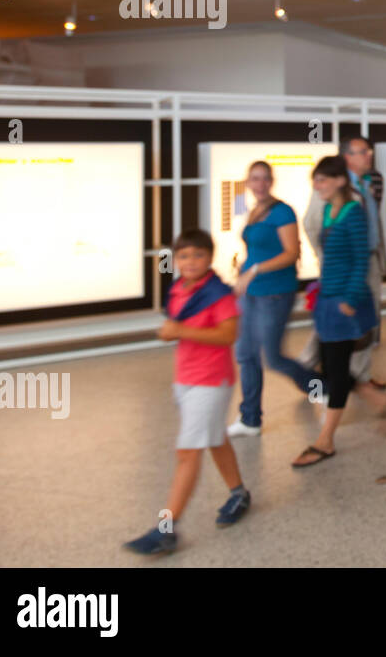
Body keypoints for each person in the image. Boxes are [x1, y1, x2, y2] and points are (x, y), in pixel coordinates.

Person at [124, 229, 251, 555]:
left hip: (211, 381)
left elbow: (227, 335)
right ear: (175, 260)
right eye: (183, 256)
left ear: (210, 258)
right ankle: (239, 493)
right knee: (214, 438)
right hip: (186, 378)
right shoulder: (178, 289)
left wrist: (179, 330)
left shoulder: (219, 295)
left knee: (187, 453)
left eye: (198, 255)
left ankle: (166, 529)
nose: (190, 261)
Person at [292, 155, 386, 468]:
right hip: (328, 299)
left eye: (322, 180)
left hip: (344, 303)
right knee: (331, 365)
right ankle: (380, 401)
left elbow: (360, 259)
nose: (317, 186)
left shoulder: (353, 212)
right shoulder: (326, 211)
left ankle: (326, 440)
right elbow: (329, 256)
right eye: (315, 181)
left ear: (339, 180)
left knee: (335, 371)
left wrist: (349, 298)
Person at [228, 160, 319, 437]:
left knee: (273, 357)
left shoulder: (282, 212)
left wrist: (254, 270)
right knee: (245, 354)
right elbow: (258, 249)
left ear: (272, 181)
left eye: (265, 178)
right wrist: (242, 270)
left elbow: (291, 253)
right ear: (248, 182)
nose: (261, 184)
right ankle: (250, 418)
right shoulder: (254, 211)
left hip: (275, 293)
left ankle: (320, 387)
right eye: (255, 179)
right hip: (251, 293)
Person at [300, 136, 386, 389]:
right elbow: (312, 222)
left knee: (363, 316)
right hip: (347, 264)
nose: (368, 156)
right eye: (362, 152)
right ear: (347, 156)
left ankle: (358, 374)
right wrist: (327, 255)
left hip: (367, 258)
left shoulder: (367, 183)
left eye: (368, 152)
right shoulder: (334, 184)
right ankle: (310, 368)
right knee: (340, 315)